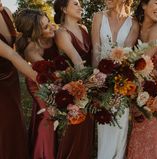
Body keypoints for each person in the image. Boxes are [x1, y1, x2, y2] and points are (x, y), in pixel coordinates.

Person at [91, 0, 139, 158]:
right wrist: (96, 81)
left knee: (119, 131)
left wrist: (118, 85)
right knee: (104, 130)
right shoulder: (98, 17)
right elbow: (96, 50)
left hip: (121, 85)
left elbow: (127, 54)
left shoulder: (133, 23)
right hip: (100, 82)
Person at [126, 0, 157, 159]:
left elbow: (142, 62)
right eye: (156, 3)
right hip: (136, 94)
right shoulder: (137, 26)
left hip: (154, 100)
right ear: (143, 5)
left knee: (147, 147)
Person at [15, 9, 59, 159]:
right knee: (48, 116)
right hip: (38, 81)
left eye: (49, 22)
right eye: (46, 27)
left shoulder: (54, 35)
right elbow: (48, 76)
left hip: (52, 78)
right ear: (35, 33)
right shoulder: (32, 50)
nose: (52, 27)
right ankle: (43, 155)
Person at [53, 0, 94, 158]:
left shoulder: (83, 28)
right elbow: (77, 61)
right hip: (73, 92)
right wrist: (94, 85)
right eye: (76, 3)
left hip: (88, 87)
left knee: (86, 135)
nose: (80, 7)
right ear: (64, 8)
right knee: (74, 135)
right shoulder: (61, 33)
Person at [0, 2, 35, 159]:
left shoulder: (6, 11)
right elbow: (11, 54)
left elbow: (16, 48)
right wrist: (43, 79)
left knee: (15, 119)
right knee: (5, 125)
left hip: (11, 77)